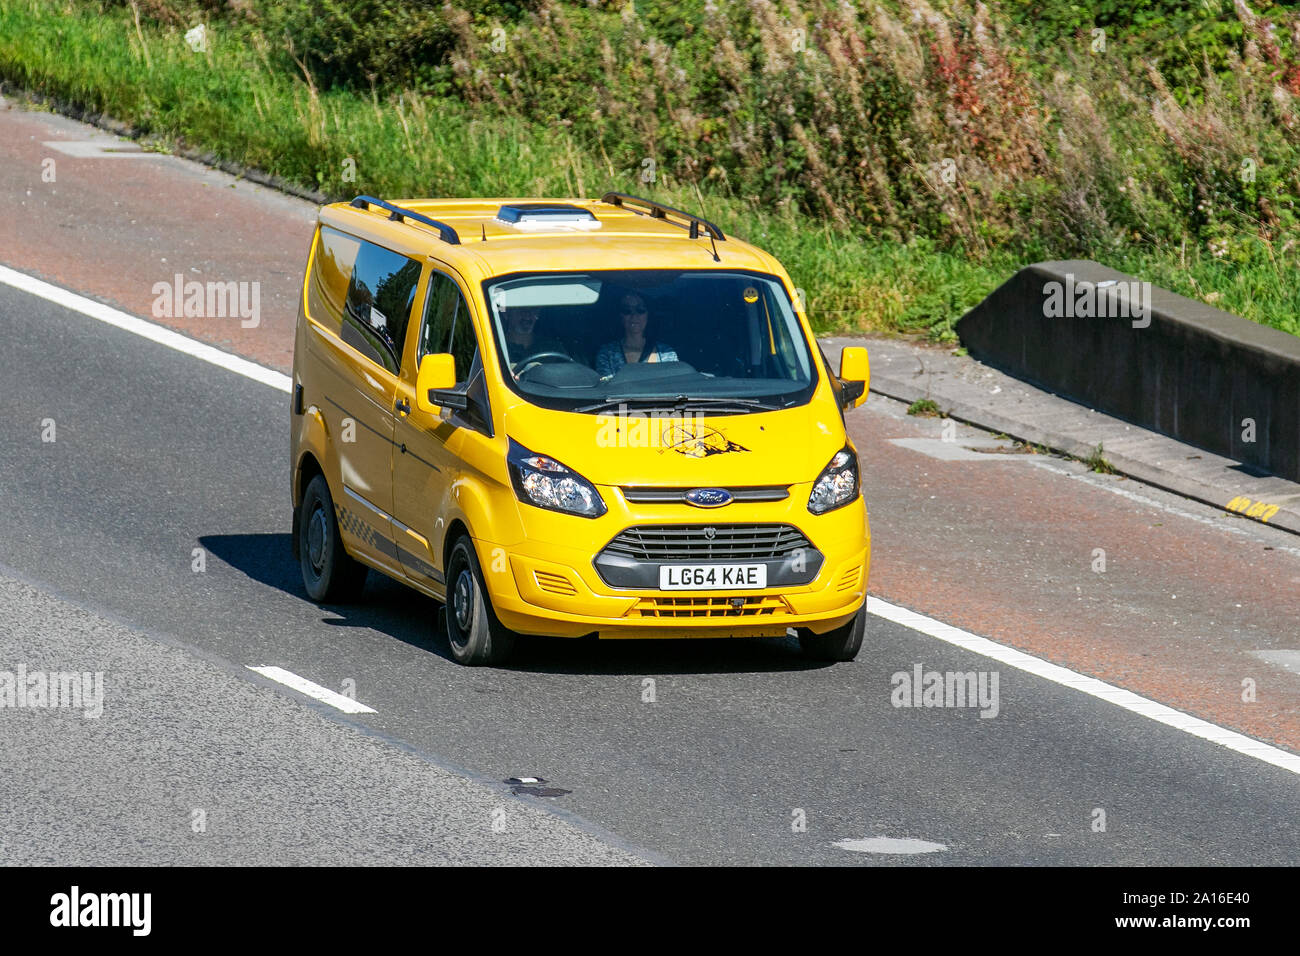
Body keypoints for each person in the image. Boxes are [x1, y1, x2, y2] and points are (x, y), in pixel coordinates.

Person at [596, 292, 677, 378]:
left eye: (640, 310)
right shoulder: (607, 354)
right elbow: (606, 388)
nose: (634, 316)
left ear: (648, 314)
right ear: (620, 316)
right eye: (627, 311)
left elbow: (675, 386)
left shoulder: (666, 352)